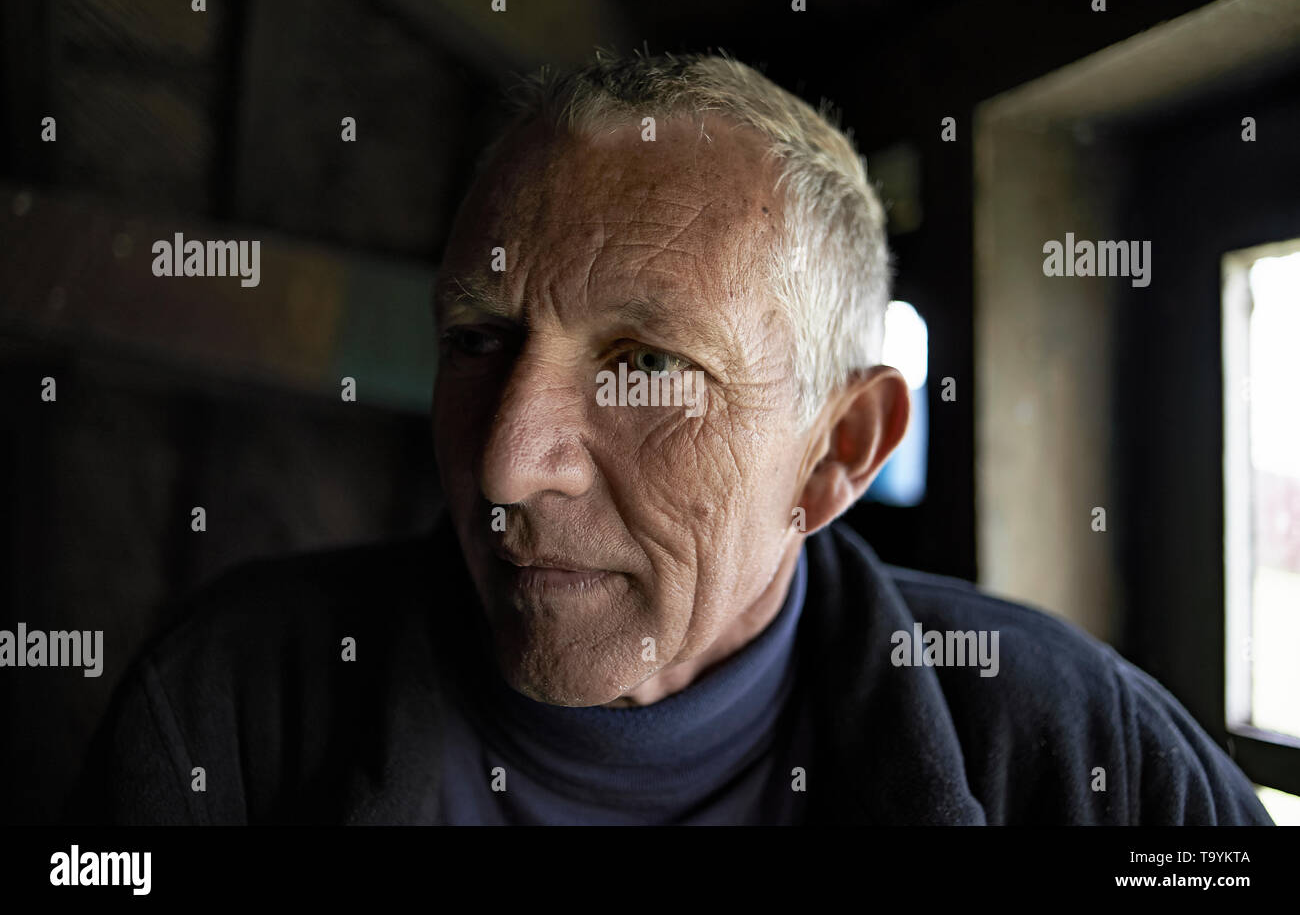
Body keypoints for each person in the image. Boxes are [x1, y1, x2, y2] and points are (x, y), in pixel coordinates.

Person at [69, 51, 1272, 824]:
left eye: (646, 366)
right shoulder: (231, 702)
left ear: (838, 449)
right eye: (479, 340)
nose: (502, 464)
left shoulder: (1071, 750)